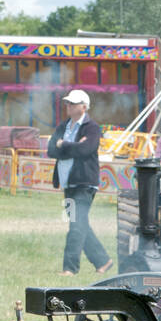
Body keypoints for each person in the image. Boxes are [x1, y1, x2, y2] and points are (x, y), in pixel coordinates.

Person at [47, 88, 112, 277]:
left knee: (76, 225)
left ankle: (70, 268)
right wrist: (71, 146)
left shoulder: (91, 128)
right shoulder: (64, 126)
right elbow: (51, 149)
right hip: (68, 184)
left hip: (84, 184)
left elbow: (86, 149)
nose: (68, 106)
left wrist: (64, 145)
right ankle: (103, 261)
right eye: (67, 103)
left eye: (72, 103)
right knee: (80, 224)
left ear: (84, 107)